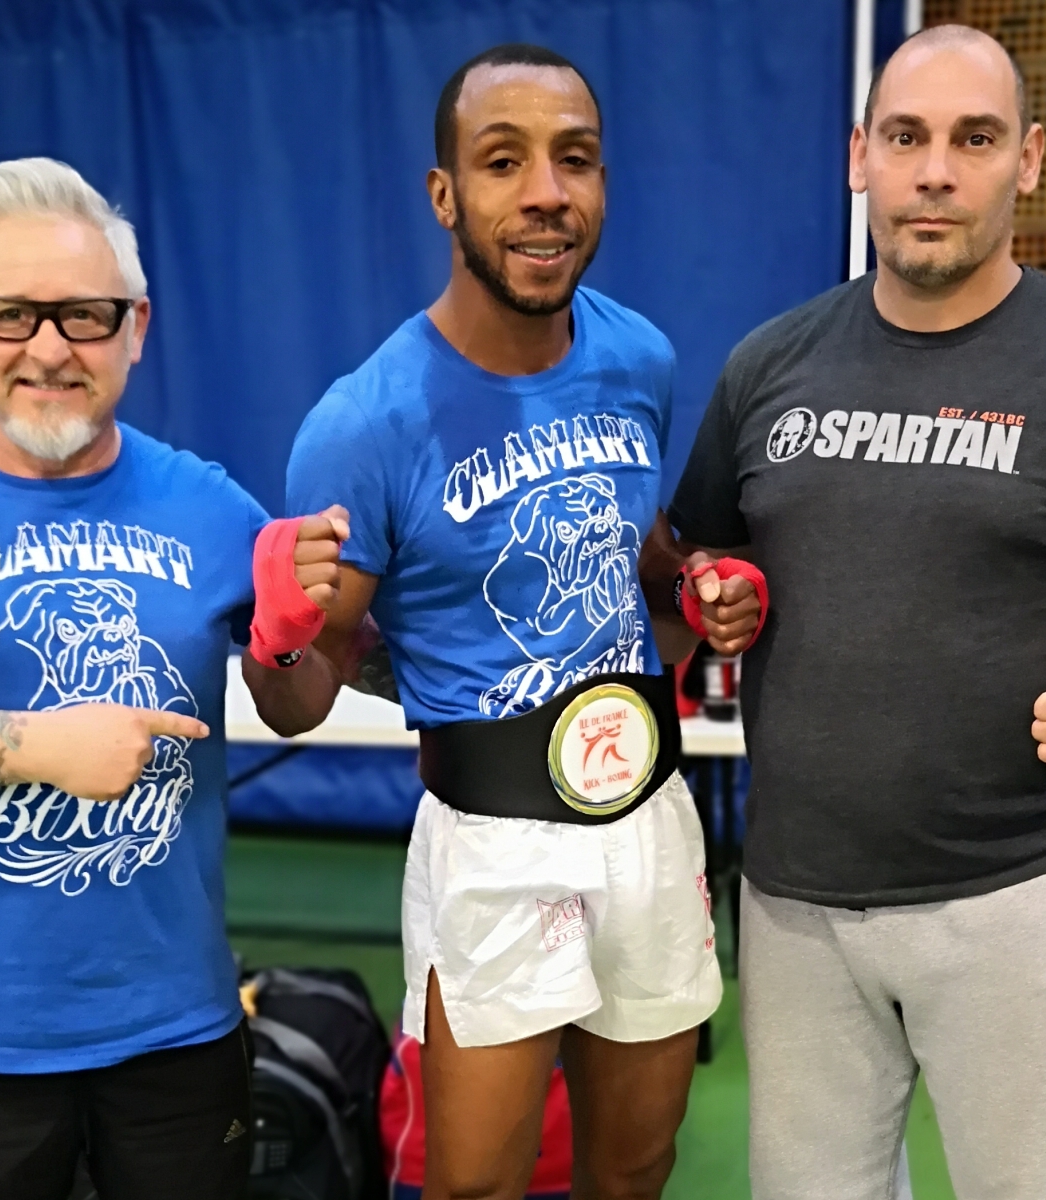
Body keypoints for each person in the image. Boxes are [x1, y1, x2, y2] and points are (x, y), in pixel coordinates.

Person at [244, 43, 760, 1200]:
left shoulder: (639, 358)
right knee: (476, 1183)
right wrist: (280, 630)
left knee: (636, 1168)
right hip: (494, 841)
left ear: (603, 184)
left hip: (648, 813)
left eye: (574, 160)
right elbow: (300, 694)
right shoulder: (365, 422)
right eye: (503, 161)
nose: (545, 192)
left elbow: (645, 574)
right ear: (446, 196)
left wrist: (698, 594)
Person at [649, 25, 1046, 1200]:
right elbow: (707, 551)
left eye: (975, 138)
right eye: (906, 137)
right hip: (798, 908)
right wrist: (725, 597)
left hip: (1017, 908)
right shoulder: (769, 366)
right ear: (860, 155)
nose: (936, 171)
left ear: (1030, 160)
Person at [0, 157, 343, 1200]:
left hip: (175, 1030)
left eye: (87, 316)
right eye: (11, 314)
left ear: (137, 327)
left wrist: (295, 635)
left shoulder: (207, 505)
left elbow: (297, 705)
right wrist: (38, 747)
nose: (50, 348)